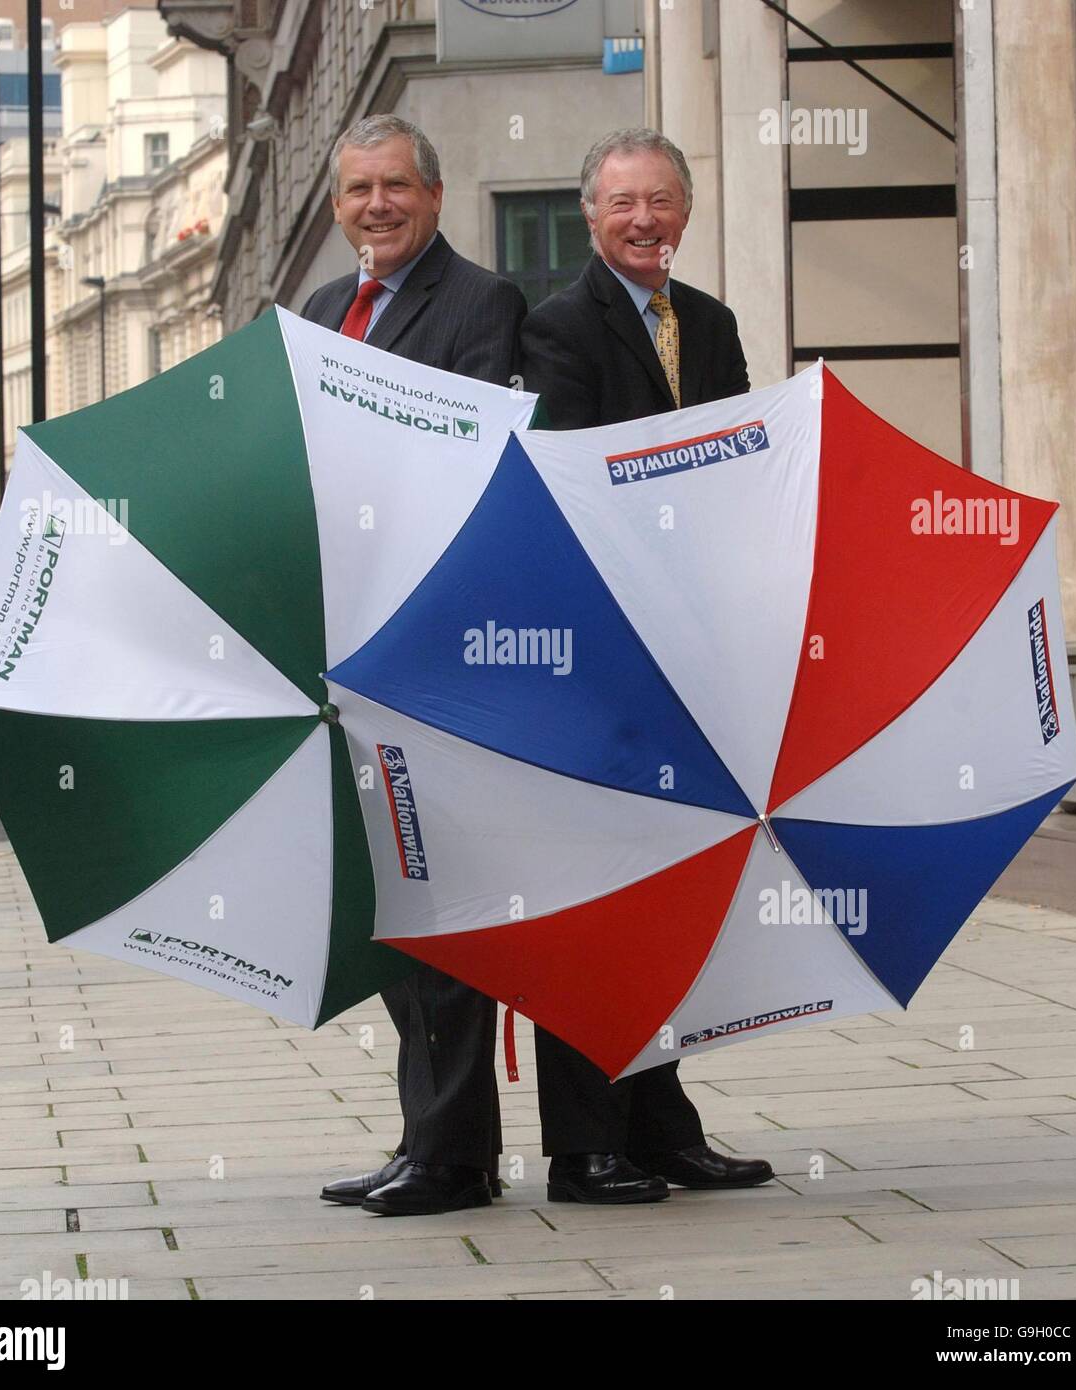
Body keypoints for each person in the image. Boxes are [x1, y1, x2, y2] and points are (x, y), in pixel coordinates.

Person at [520, 128, 776, 1205]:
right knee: (590, 896)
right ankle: (582, 1145)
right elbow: (574, 477)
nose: (642, 220)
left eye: (660, 201)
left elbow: (750, 450)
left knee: (667, 892)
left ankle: (661, 1124)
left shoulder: (706, 323)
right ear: (591, 215)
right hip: (596, 653)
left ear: (684, 210)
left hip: (691, 650)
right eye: (622, 202)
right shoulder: (554, 327)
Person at [307, 113, 527, 1217]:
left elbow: (474, 455)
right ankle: (426, 1138)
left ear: (434, 197)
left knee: (437, 904)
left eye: (395, 187)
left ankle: (454, 1159)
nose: (377, 205)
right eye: (358, 191)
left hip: (439, 645)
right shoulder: (320, 311)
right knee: (393, 906)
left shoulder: (483, 304)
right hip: (352, 648)